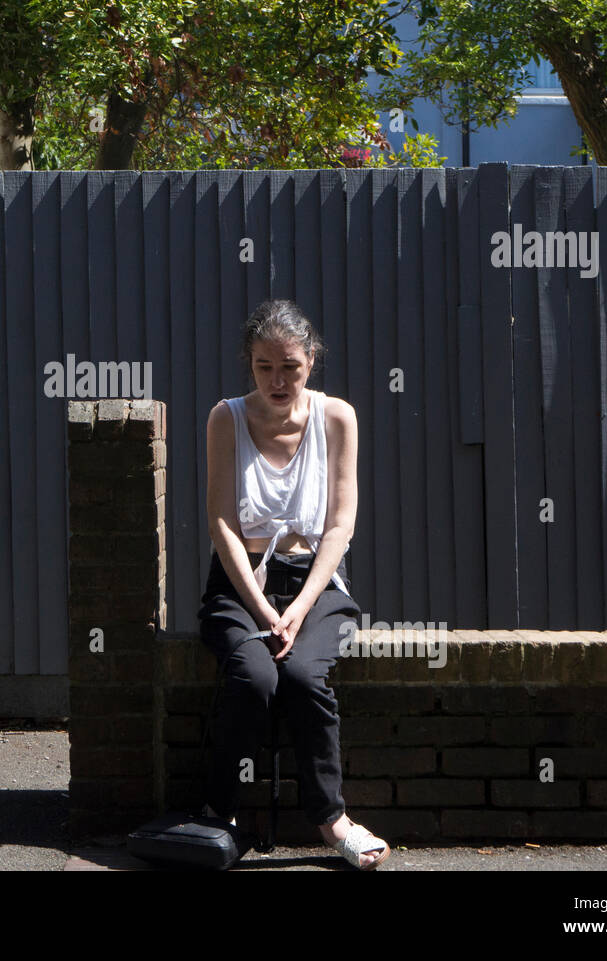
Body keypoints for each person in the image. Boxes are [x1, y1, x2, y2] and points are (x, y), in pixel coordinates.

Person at [197, 298, 390, 870]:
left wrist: (300, 608)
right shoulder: (225, 418)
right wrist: (261, 610)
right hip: (240, 584)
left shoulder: (337, 418)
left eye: (290, 366)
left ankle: (332, 820)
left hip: (316, 582)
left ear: (311, 359)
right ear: (249, 365)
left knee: (305, 676)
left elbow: (340, 524)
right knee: (253, 677)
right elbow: (223, 523)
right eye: (264, 367)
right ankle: (217, 815)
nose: (277, 380)